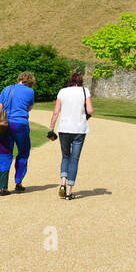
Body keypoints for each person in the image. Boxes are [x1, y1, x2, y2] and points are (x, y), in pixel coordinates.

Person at [49, 71, 93, 200]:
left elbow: (56, 112)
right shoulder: (85, 91)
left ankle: (62, 182)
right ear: (81, 81)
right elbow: (90, 110)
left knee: (65, 156)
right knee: (75, 159)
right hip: (79, 129)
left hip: (64, 128)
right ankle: (69, 191)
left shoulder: (62, 92)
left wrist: (51, 128)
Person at [0, 71, 36, 196]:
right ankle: (18, 182)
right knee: (23, 152)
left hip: (5, 125)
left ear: (19, 78)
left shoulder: (7, 88)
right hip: (20, 125)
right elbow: (29, 107)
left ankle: (3, 187)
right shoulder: (30, 92)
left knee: (4, 154)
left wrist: (2, 119)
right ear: (30, 82)